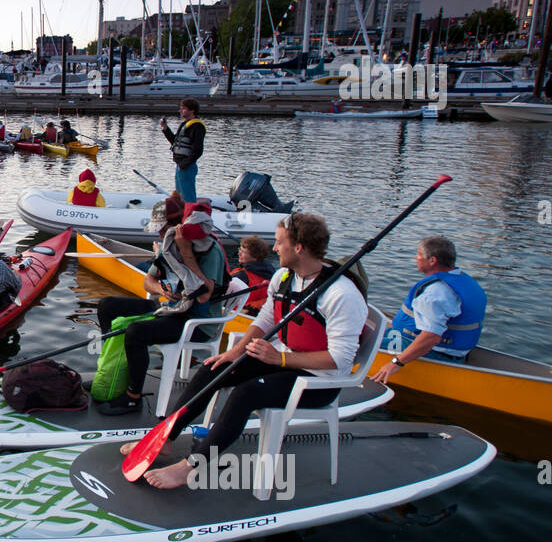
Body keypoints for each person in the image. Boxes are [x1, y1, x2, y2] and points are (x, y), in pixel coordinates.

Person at [120, 213, 367, 490]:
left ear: (299, 247)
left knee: (246, 393)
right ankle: (167, 438)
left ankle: (191, 467)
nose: (274, 248)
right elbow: (266, 320)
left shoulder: (341, 295)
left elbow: (341, 359)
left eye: (279, 243)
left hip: (320, 379)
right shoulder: (284, 277)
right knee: (212, 369)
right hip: (284, 359)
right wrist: (234, 353)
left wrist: (280, 358)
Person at [95, 204, 231, 414]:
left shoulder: (209, 249)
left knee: (135, 333)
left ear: (177, 226)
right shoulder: (168, 246)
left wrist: (187, 255)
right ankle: (108, 372)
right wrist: (162, 289)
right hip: (170, 307)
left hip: (197, 321)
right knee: (107, 306)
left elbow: (204, 295)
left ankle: (133, 397)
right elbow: (148, 281)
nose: (159, 234)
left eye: (162, 228)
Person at [375, 236, 486, 383]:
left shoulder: (435, 293)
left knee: (353, 340)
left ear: (432, 260)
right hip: (451, 349)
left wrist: (396, 363)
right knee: (369, 331)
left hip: (436, 353)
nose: (416, 257)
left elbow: (431, 337)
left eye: (419, 254)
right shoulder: (462, 280)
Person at [160, 99, 205, 203]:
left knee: (187, 196)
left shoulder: (197, 126)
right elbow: (174, 141)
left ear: (192, 110)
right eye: (180, 108)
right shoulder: (185, 124)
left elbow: (198, 150)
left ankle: (191, 214)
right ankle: (182, 215)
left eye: (183, 108)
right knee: (179, 196)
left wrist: (185, 164)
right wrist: (165, 128)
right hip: (180, 165)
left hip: (187, 166)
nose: (180, 111)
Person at [231, 235, 276, 311]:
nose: (239, 253)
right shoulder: (272, 274)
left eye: (243, 252)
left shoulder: (241, 275)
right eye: (240, 250)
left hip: (237, 315)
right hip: (256, 314)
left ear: (255, 256)